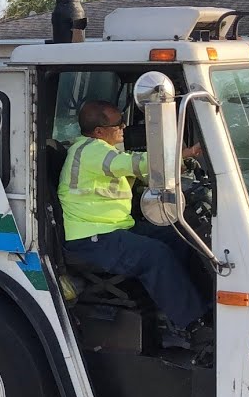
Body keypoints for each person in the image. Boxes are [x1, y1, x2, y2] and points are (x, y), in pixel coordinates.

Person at [58, 99, 212, 347]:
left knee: (177, 235)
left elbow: (128, 170)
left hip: (114, 226)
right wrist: (187, 153)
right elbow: (134, 163)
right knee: (156, 254)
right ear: (99, 131)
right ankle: (192, 325)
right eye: (118, 124)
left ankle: (194, 303)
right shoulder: (90, 150)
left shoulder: (100, 150)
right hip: (90, 237)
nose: (124, 127)